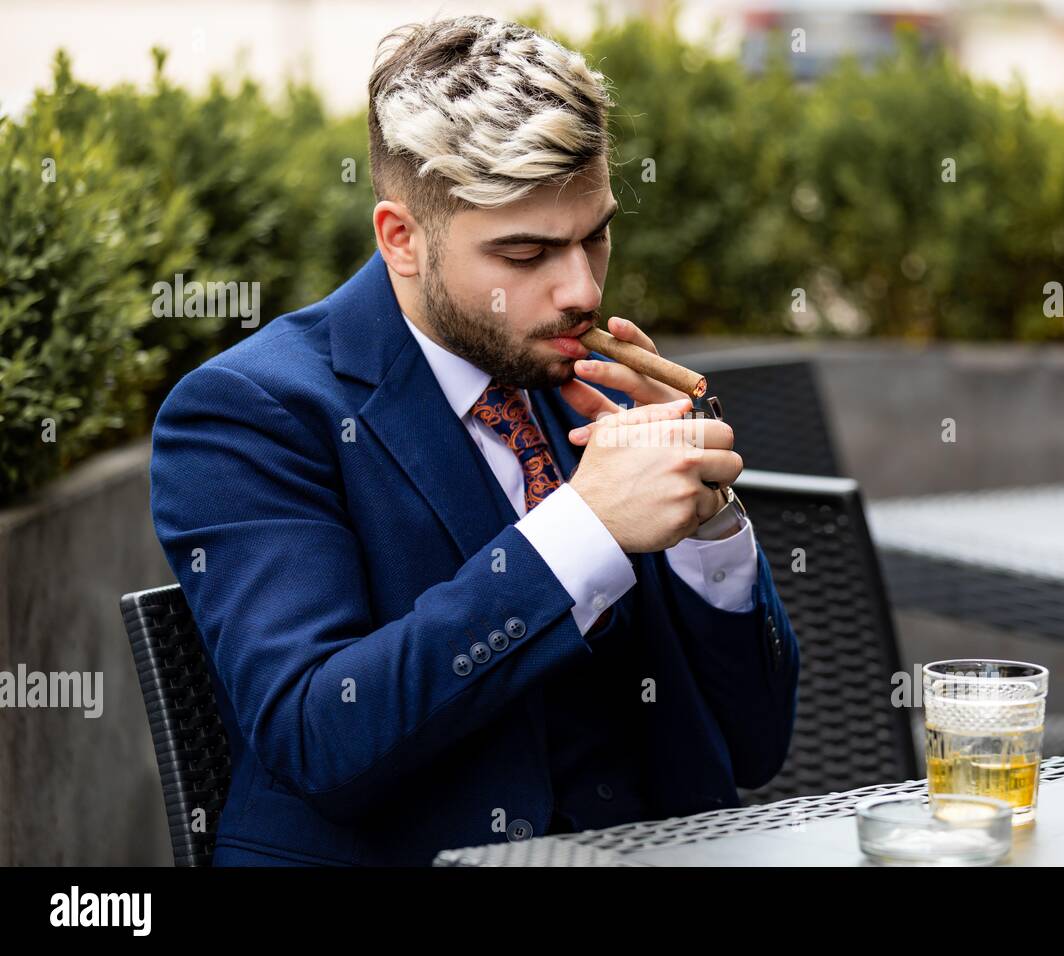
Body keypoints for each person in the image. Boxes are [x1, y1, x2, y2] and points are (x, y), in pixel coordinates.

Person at [149, 13, 799, 866]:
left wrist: (709, 533)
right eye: (525, 253)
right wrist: (584, 529)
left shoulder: (592, 389)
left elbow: (754, 747)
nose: (580, 290)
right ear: (402, 239)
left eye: (595, 234)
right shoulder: (249, 412)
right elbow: (315, 738)